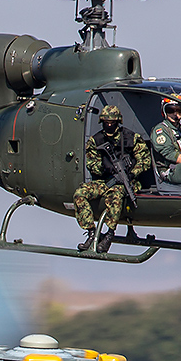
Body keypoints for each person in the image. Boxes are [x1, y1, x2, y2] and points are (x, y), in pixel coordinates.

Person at [74, 104, 151, 252]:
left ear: (118, 122)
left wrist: (132, 173)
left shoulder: (131, 138)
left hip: (128, 181)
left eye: (112, 122)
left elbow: (145, 160)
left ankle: (109, 234)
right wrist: (104, 167)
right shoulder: (96, 141)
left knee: (115, 194)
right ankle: (91, 233)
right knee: (79, 194)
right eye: (106, 122)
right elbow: (91, 163)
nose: (109, 125)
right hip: (106, 180)